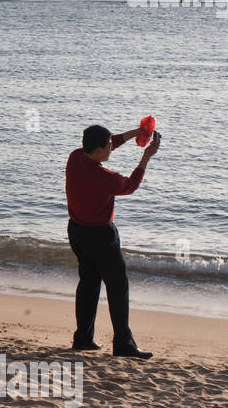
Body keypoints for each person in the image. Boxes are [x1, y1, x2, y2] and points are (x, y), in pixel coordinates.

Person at [65, 124, 161, 358]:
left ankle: (83, 339)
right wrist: (146, 157)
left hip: (77, 231)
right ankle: (123, 344)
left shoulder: (76, 157)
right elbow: (130, 186)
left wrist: (134, 134)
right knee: (118, 287)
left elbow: (111, 143)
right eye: (107, 145)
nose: (111, 147)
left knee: (88, 284)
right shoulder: (103, 176)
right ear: (98, 150)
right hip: (101, 236)